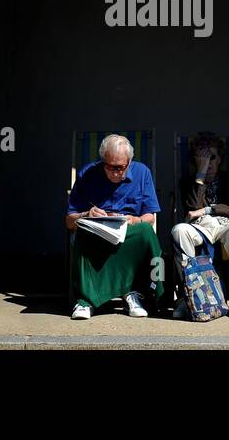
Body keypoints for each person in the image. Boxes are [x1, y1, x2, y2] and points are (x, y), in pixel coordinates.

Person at [65, 134, 164, 320]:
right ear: (103, 161)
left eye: (120, 167)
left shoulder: (142, 173)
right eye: (109, 167)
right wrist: (86, 214)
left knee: (146, 232)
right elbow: (69, 221)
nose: (115, 173)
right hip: (97, 232)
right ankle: (86, 300)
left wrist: (134, 220)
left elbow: (150, 217)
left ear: (129, 162)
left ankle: (135, 294)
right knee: (82, 231)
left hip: (129, 229)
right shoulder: (88, 173)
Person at [172, 132, 229, 320]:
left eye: (211, 157)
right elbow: (192, 207)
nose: (207, 162)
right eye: (201, 157)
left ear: (220, 159)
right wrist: (200, 175)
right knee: (179, 230)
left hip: (227, 225)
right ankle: (190, 297)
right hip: (200, 227)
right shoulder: (188, 182)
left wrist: (206, 210)